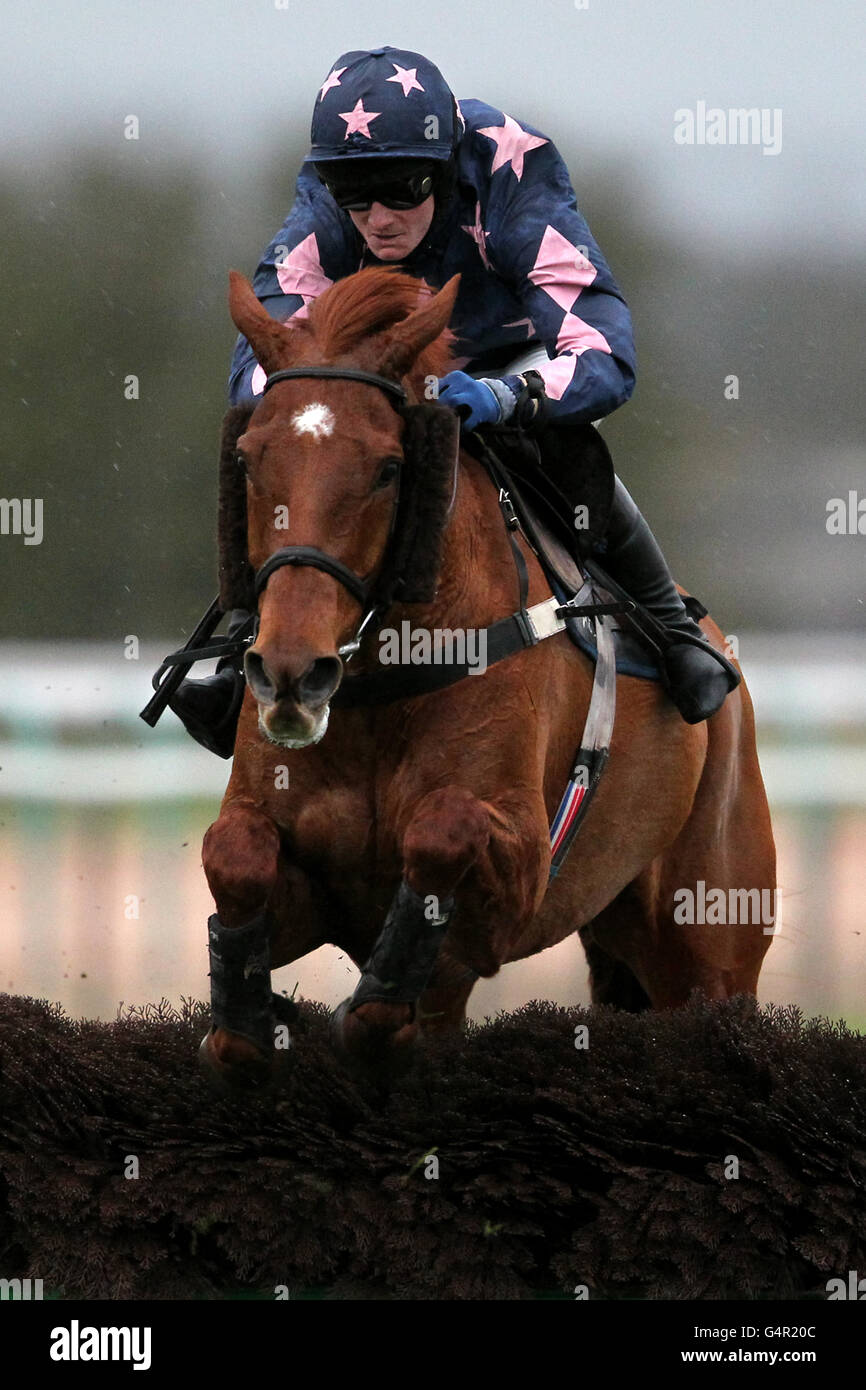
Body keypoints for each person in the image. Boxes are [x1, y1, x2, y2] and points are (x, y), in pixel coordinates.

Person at [170, 44, 738, 756]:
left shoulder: (508, 165)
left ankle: (673, 629)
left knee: (563, 445)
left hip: (510, 358)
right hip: (380, 378)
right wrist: (321, 404)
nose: (376, 217)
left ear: (444, 167)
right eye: (356, 194)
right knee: (288, 449)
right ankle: (239, 646)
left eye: (403, 188)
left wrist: (507, 396)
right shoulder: (324, 193)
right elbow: (262, 360)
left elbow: (605, 354)